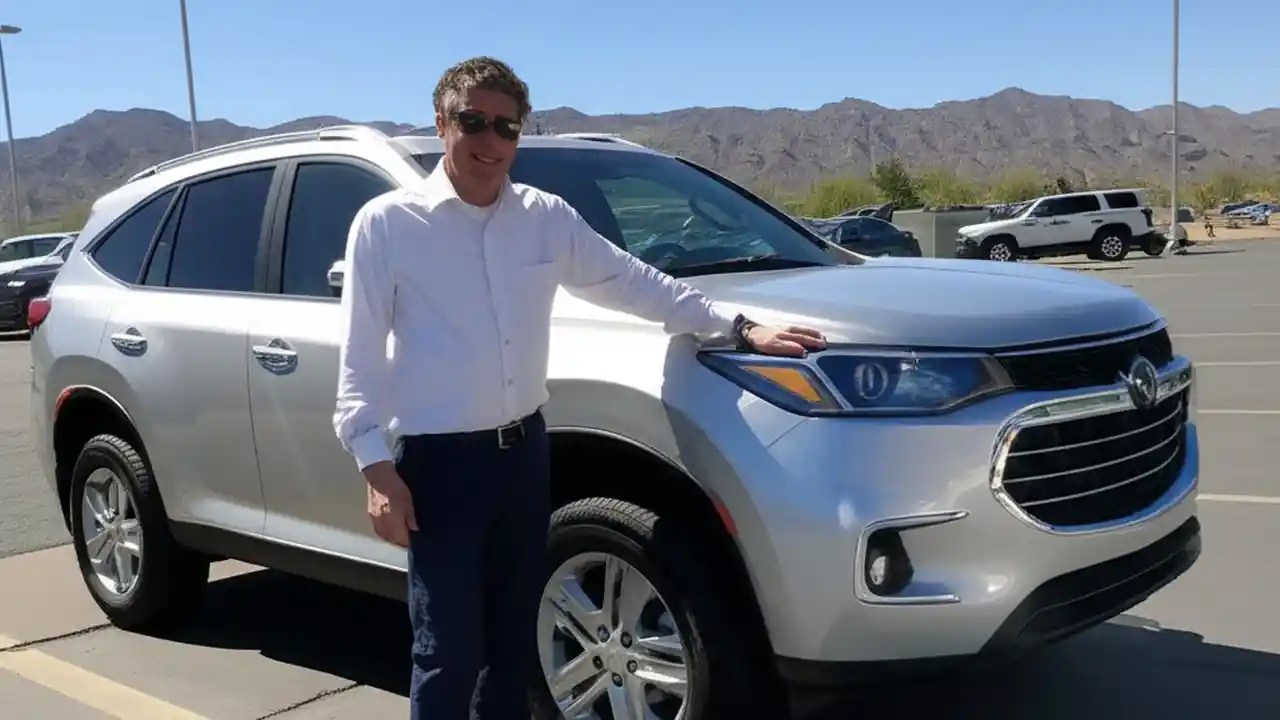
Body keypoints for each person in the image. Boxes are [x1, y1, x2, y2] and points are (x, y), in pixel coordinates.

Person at [332, 56, 827, 719]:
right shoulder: (388, 225)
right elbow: (359, 360)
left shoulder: (543, 217)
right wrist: (375, 467)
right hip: (440, 469)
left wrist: (737, 326)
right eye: (474, 122)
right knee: (447, 651)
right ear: (442, 121)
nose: (490, 142)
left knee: (512, 650)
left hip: (524, 457)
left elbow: (635, 282)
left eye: (507, 128)